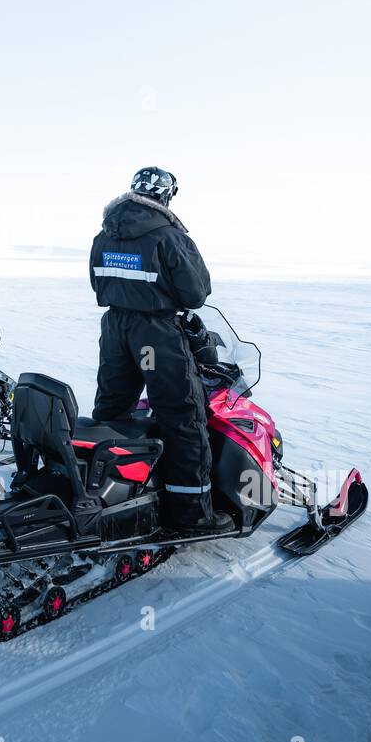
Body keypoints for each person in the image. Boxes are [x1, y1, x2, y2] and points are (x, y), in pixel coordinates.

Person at [89, 166, 232, 533]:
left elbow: (97, 281)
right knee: (181, 415)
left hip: (115, 331)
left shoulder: (105, 234)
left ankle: (104, 496)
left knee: (111, 410)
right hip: (155, 333)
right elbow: (197, 294)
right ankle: (190, 514)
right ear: (166, 196)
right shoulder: (168, 236)